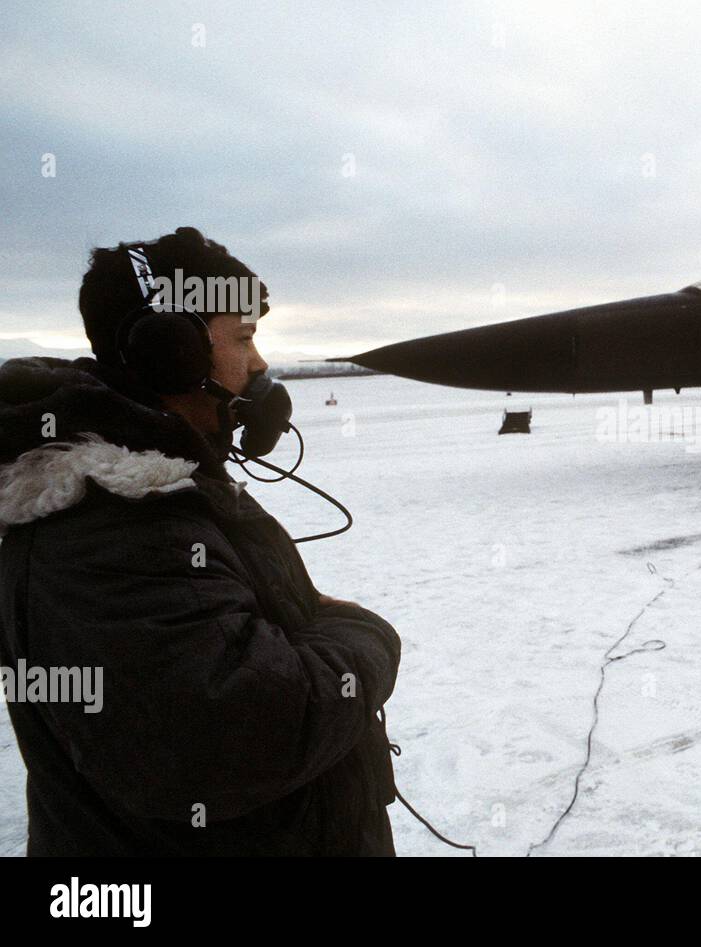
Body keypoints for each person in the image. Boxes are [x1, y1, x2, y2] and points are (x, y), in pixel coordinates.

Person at [0, 227, 402, 855]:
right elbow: (243, 732)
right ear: (171, 351)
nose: (262, 364)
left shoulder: (163, 495)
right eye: (243, 338)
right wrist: (367, 637)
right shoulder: (114, 531)